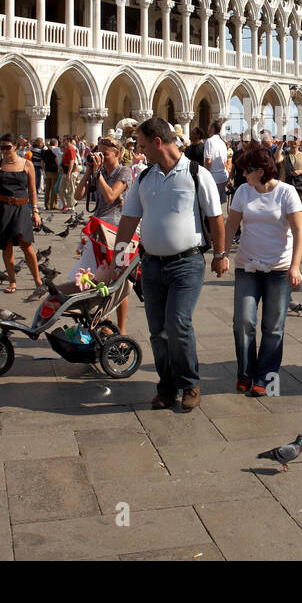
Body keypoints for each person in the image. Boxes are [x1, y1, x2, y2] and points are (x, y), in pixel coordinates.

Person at [113, 117, 225, 413]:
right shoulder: (144, 178)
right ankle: (167, 386)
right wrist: (119, 255)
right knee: (157, 331)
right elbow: (128, 220)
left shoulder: (196, 173)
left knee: (178, 323)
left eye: (143, 144)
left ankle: (189, 382)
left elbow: (215, 218)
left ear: (158, 142)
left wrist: (220, 254)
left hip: (186, 263)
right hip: (150, 265)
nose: (140, 150)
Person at [222, 146, 302, 396]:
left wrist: (295, 266)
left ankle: (266, 378)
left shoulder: (286, 192)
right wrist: (222, 254)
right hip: (247, 265)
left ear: (259, 171)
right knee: (243, 321)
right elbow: (231, 226)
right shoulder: (243, 192)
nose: (242, 176)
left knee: (273, 326)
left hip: (279, 268)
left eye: (246, 171)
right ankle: (245, 373)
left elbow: (299, 230)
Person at [72, 136, 134, 335]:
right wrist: (89, 171)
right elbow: (78, 195)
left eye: (104, 154)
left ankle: (121, 330)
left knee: (119, 281)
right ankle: (104, 326)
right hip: (100, 232)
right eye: (98, 153)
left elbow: (110, 196)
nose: (100, 157)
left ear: (117, 153)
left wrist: (97, 174)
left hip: (120, 233)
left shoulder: (124, 171)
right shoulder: (98, 172)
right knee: (99, 280)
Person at [0, 133, 43, 293]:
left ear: (16, 147)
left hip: (21, 208)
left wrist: (35, 211)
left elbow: (33, 191)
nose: (4, 151)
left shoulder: (27, 164)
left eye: (7, 147)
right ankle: (12, 281)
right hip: (3, 207)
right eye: (1, 147)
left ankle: (37, 279)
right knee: (7, 246)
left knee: (26, 245)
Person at [281, 137, 302, 227]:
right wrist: (280, 144)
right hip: (286, 190)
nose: (293, 142)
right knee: (286, 218)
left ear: (299, 142)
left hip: (301, 190)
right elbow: (276, 160)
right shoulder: (284, 155)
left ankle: (301, 239)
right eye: (290, 140)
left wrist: (301, 172)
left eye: (295, 139)